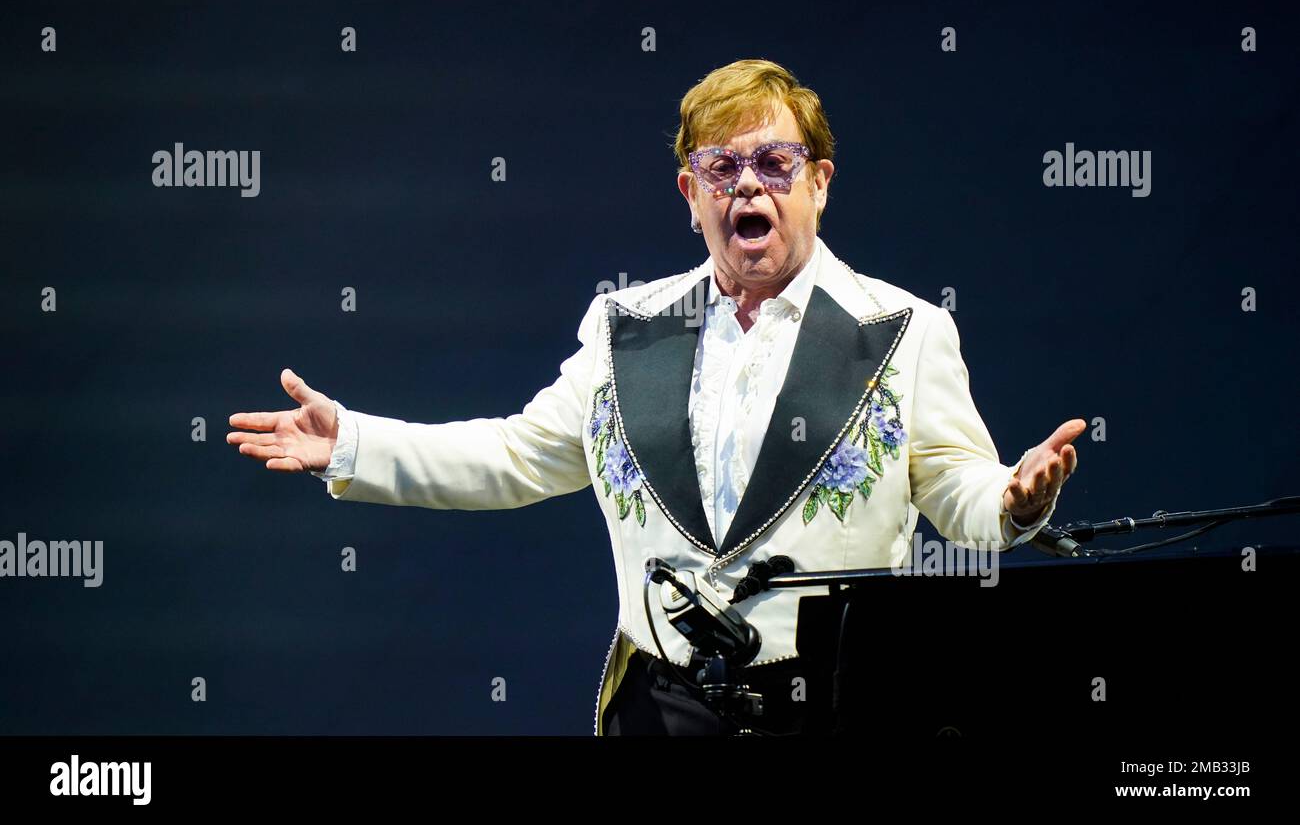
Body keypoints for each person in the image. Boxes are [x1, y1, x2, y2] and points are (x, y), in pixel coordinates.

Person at [228, 58, 1082, 736]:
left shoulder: (902, 332)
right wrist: (351, 444)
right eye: (722, 167)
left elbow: (958, 490)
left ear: (819, 182)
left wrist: (1013, 499)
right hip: (661, 711)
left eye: (775, 164)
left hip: (836, 703)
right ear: (690, 194)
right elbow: (517, 456)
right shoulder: (624, 328)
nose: (748, 186)